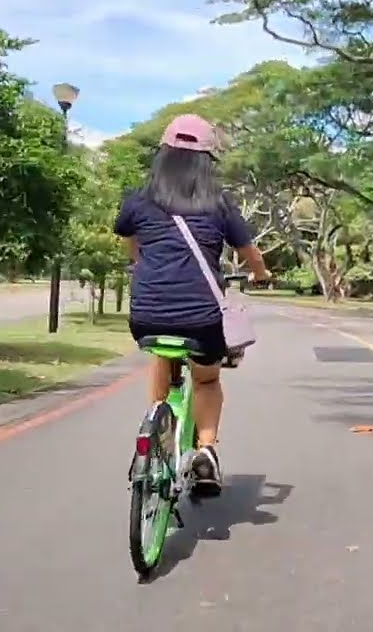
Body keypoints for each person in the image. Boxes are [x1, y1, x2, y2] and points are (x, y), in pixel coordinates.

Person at [113, 113, 270, 491]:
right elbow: (250, 253)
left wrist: (140, 264)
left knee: (161, 353)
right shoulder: (219, 203)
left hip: (146, 313)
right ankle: (206, 451)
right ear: (206, 161)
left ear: (163, 154)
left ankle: (156, 428)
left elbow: (130, 244)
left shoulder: (139, 199)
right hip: (201, 317)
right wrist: (261, 274)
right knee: (207, 378)